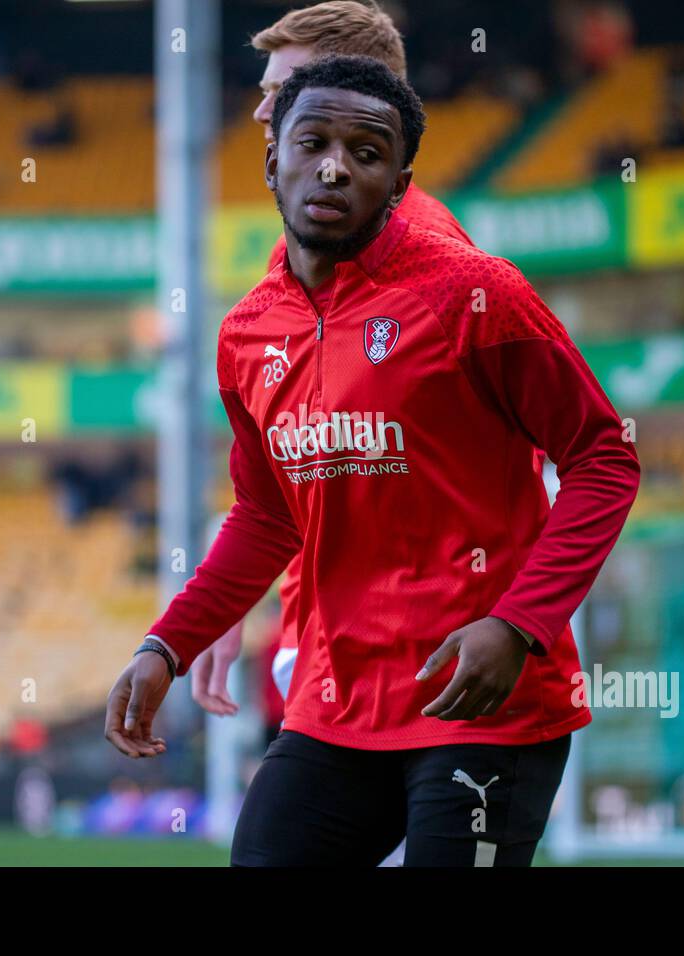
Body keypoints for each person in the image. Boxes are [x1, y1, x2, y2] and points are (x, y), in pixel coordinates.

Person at [105, 55, 640, 866]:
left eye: (366, 151)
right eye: (312, 141)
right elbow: (266, 516)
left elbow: (603, 457)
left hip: (483, 700)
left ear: (399, 183)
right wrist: (166, 646)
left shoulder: (475, 295)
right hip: (335, 707)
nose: (334, 165)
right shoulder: (245, 335)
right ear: (271, 161)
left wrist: (519, 625)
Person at [191, 0, 476, 719]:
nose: (262, 112)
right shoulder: (297, 269)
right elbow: (301, 473)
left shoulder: (431, 258)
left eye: (278, 90)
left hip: (407, 660)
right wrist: (232, 593)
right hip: (329, 641)